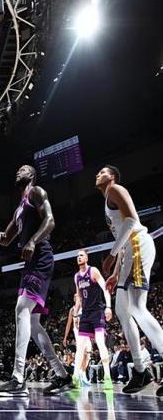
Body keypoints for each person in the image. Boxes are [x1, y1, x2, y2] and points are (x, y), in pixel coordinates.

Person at [0, 165, 71, 397]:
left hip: (41, 257)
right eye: (17, 169)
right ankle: (62, 375)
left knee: (21, 309)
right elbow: (6, 239)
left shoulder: (36, 192)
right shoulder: (19, 208)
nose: (19, 171)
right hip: (30, 262)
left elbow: (50, 220)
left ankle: (18, 378)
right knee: (34, 324)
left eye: (24, 169)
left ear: (32, 175)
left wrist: (33, 241)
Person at [96, 165, 163, 395]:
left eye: (102, 172)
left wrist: (111, 254)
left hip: (139, 245)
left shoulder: (115, 189)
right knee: (122, 311)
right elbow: (122, 238)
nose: (98, 174)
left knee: (136, 307)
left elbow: (132, 222)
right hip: (128, 251)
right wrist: (116, 272)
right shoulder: (107, 201)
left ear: (112, 177)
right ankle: (140, 370)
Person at [71, 250, 113, 390]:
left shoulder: (93, 271)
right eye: (77, 256)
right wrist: (75, 315)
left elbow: (105, 289)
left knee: (100, 343)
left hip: (97, 311)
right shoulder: (77, 276)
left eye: (81, 255)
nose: (79, 257)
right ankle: (75, 377)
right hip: (85, 314)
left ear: (87, 258)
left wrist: (108, 307)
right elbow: (79, 297)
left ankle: (107, 377)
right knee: (80, 347)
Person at [63, 293, 91, 386]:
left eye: (78, 297)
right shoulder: (72, 309)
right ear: (74, 299)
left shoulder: (85, 307)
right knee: (81, 351)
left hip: (86, 330)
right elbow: (68, 324)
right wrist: (65, 337)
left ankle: (82, 372)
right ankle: (79, 375)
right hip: (78, 332)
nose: (77, 298)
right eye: (75, 297)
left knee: (88, 353)